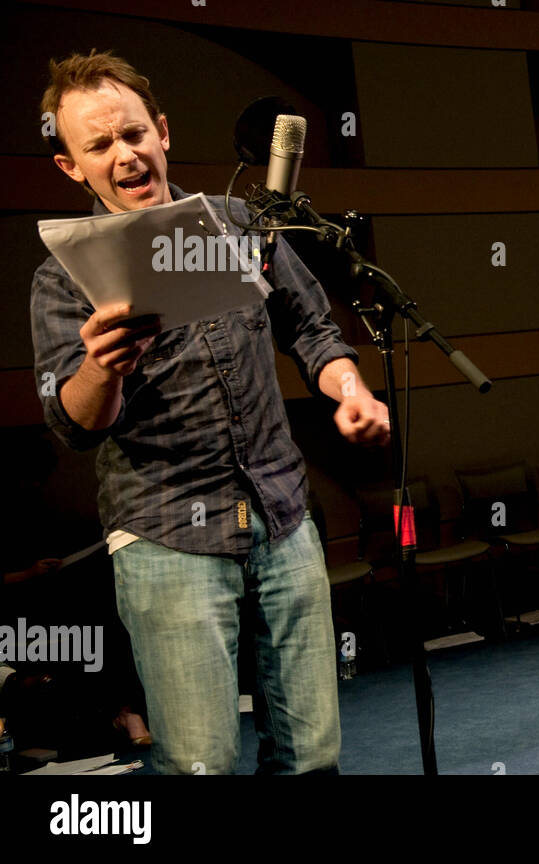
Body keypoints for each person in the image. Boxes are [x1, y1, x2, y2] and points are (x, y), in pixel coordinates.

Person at [30, 51, 390, 773]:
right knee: (202, 764)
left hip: (283, 517)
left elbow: (314, 332)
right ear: (72, 167)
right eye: (99, 146)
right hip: (168, 540)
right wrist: (104, 367)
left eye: (133, 134)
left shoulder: (239, 224)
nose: (124, 154)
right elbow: (72, 424)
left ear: (161, 133)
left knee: (313, 755)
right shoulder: (62, 276)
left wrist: (351, 390)